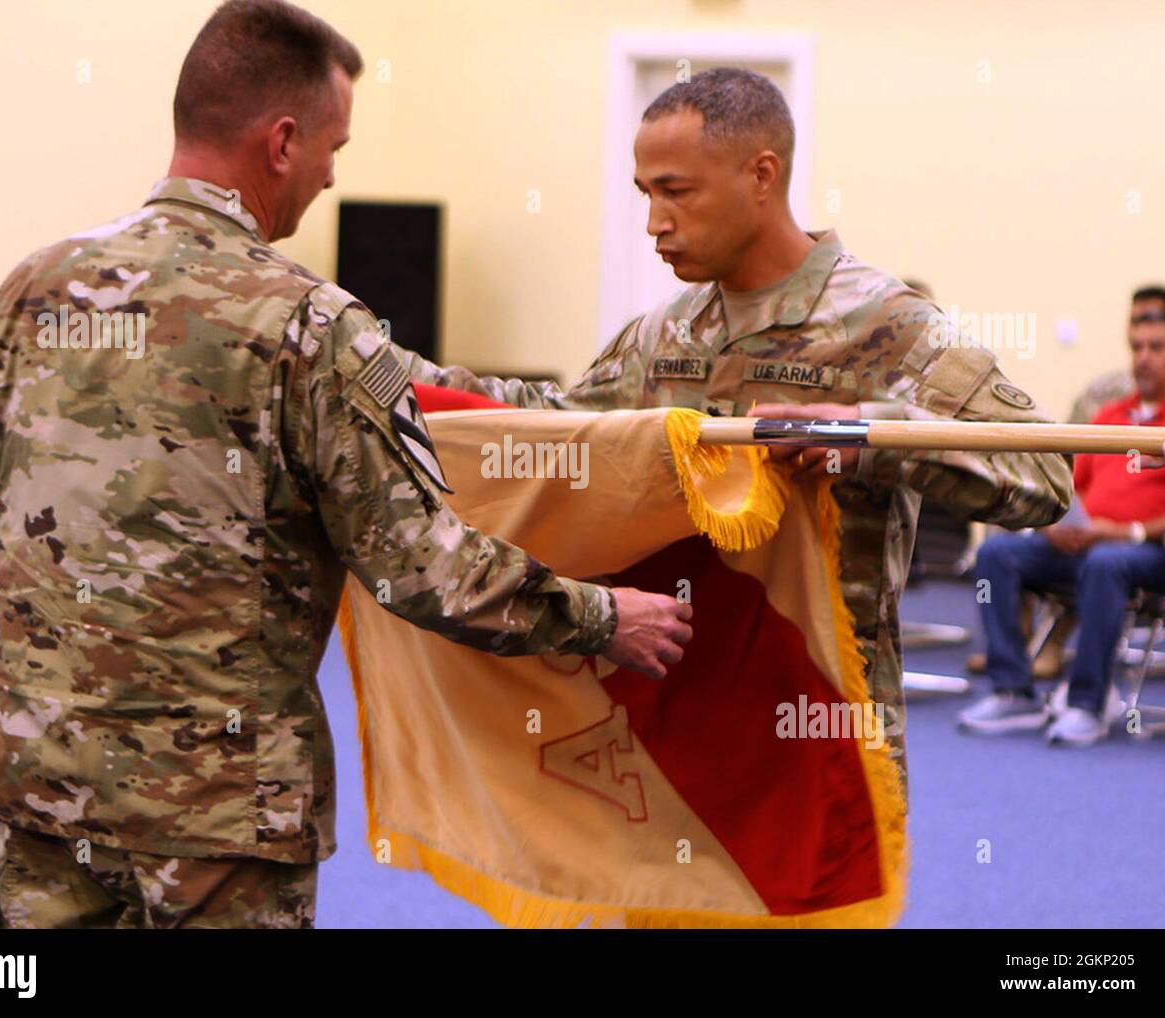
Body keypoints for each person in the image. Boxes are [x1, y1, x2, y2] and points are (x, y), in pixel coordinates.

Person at [0, 0, 691, 929]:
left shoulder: (32, 287)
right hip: (215, 814)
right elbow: (424, 568)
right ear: (282, 142)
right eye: (335, 145)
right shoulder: (311, 325)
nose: (333, 175)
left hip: (41, 784)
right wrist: (600, 616)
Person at [400, 68, 1072, 786]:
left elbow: (1043, 475)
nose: (655, 221)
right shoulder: (666, 333)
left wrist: (868, 437)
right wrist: (403, 378)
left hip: (821, 724)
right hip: (679, 714)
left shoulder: (888, 325)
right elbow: (560, 430)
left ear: (761, 175)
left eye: (676, 191)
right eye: (646, 194)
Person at [960, 288, 1165, 745]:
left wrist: (1126, 532)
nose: (1143, 359)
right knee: (998, 554)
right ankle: (1012, 691)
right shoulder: (1108, 416)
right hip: (1085, 544)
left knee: (1107, 563)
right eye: (1136, 347)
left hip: (1154, 552)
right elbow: (1066, 489)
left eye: (1157, 347)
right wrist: (1051, 524)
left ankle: (1086, 702)